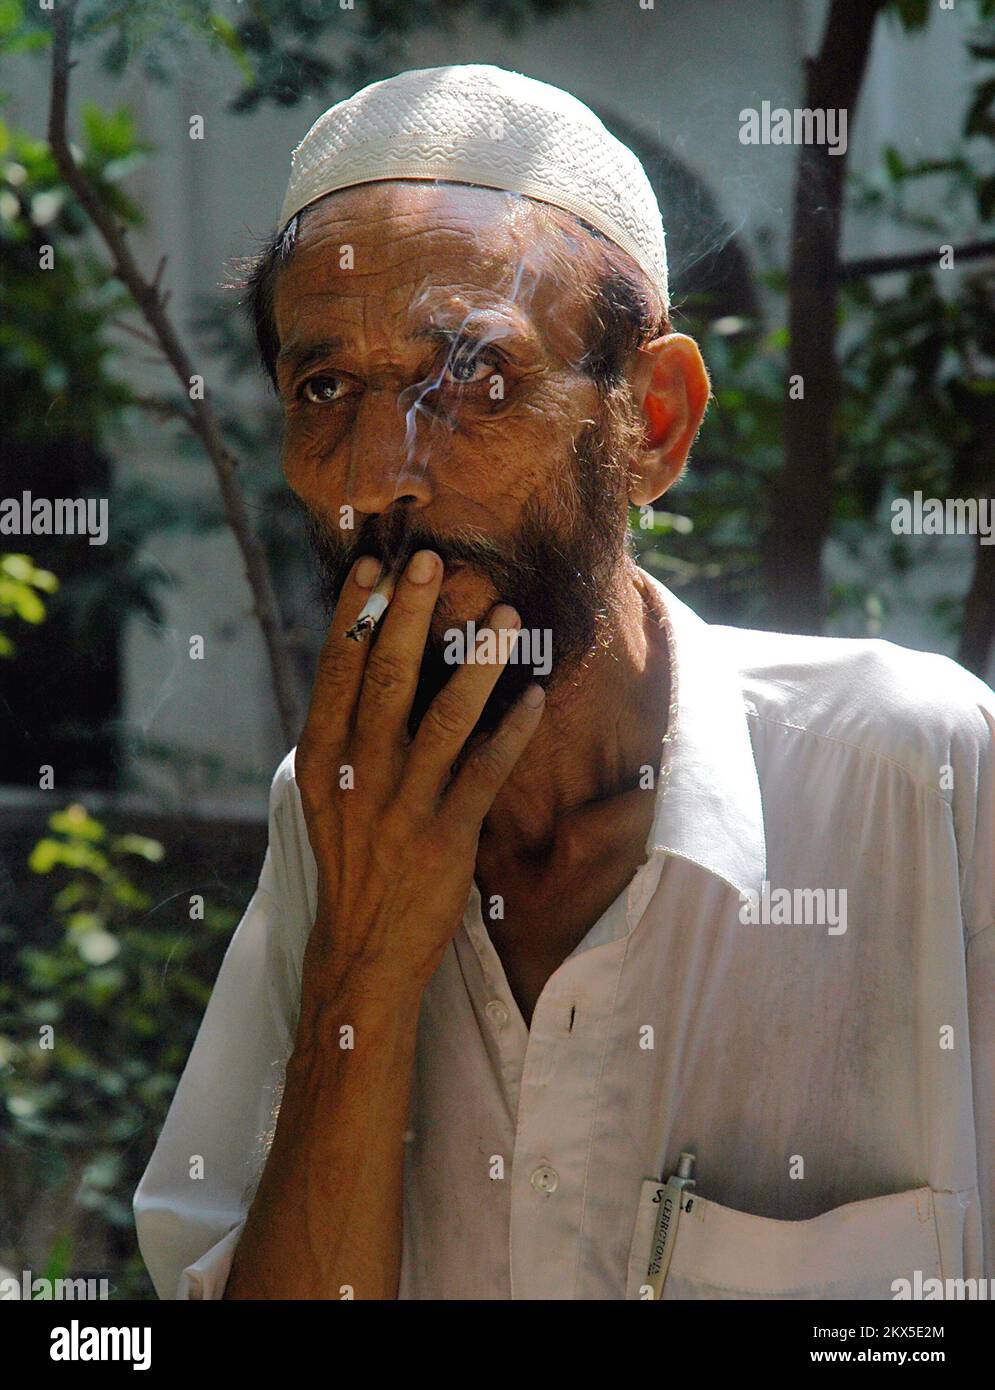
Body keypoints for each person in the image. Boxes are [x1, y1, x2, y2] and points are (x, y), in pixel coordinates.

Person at [133, 64, 994, 1301]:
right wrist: (365, 969)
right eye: (325, 388)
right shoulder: (327, 816)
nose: (380, 475)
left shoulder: (916, 777)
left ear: (652, 423)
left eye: (471, 377)